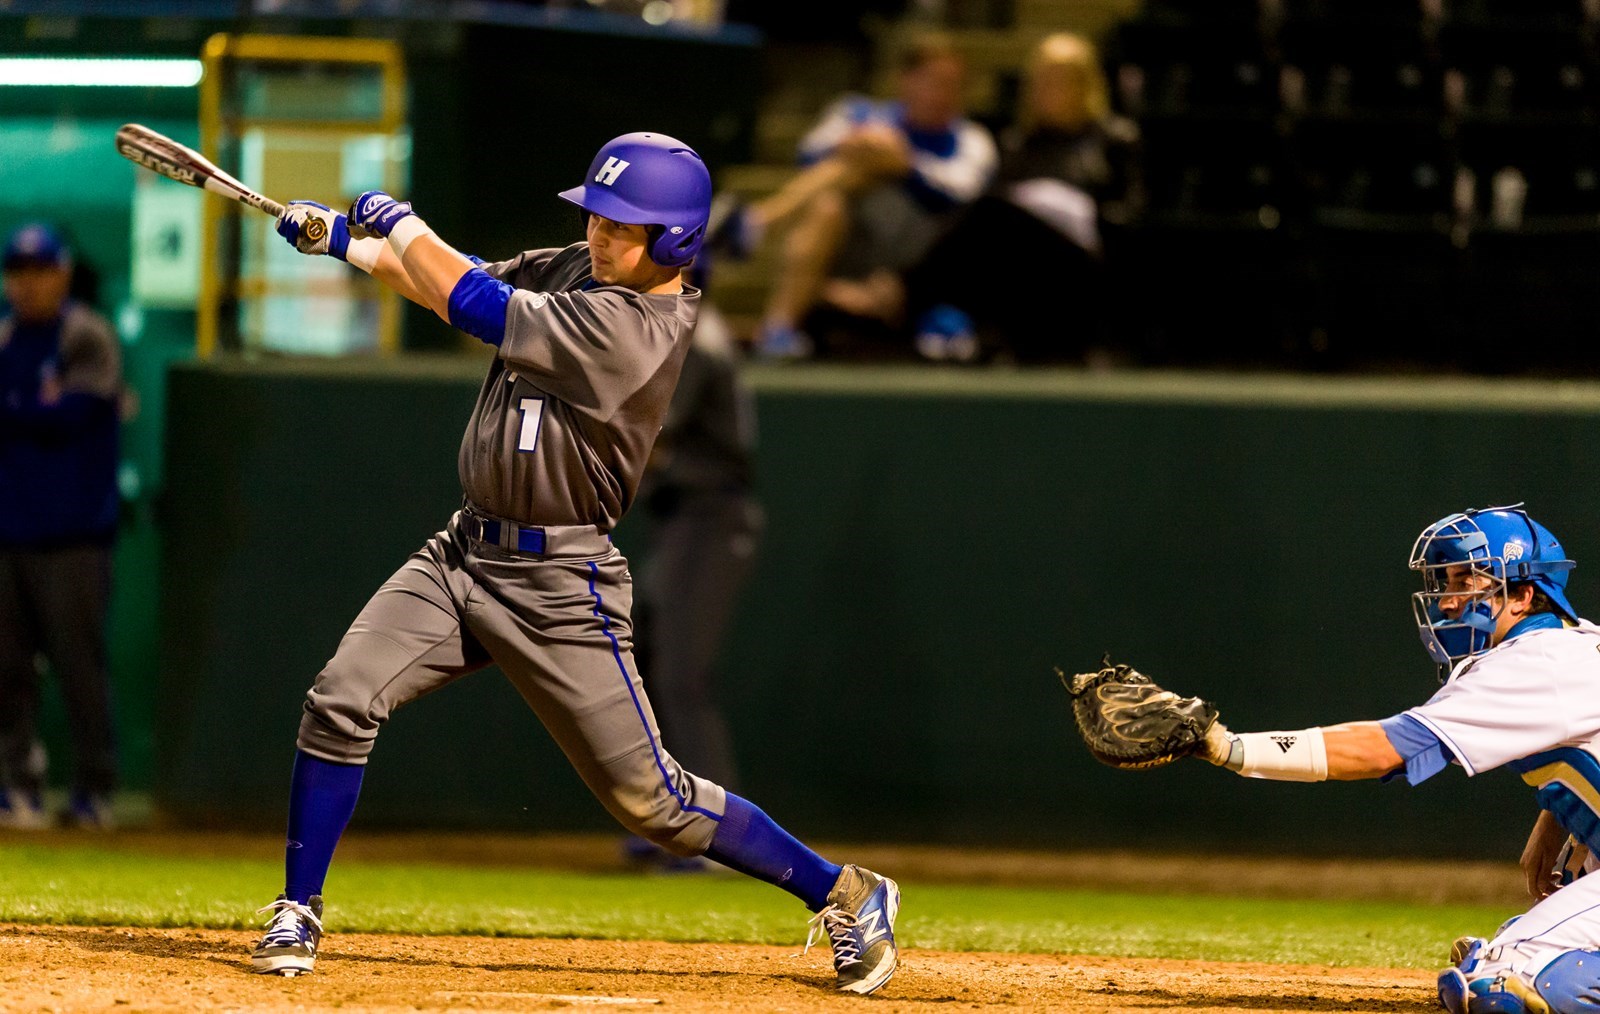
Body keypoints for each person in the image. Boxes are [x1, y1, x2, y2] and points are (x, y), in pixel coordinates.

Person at [261, 132, 900, 995]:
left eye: (621, 226)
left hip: (560, 583)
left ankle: (848, 894)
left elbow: (473, 304)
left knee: (656, 804)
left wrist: (400, 224)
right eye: (596, 217)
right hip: (463, 552)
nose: (599, 235)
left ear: (674, 242)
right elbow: (455, 277)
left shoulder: (639, 325)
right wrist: (350, 244)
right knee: (341, 699)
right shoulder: (582, 269)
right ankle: (298, 906)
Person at [1149, 505, 1600, 1014]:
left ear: (1520, 595)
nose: (1450, 602)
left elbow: (1382, 750)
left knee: (1496, 984)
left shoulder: (1537, 661)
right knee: (1497, 957)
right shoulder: (1572, 646)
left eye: (1469, 581)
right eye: (1446, 581)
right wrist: (1556, 819)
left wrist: (1228, 747)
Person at [710, 30, 998, 360]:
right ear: (904, 80)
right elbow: (808, 156)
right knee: (828, 204)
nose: (942, 94)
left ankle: (757, 222)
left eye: (953, 85)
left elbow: (964, 199)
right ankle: (779, 328)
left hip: (922, 254)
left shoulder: (972, 139)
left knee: (872, 157)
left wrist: (905, 165)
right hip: (853, 244)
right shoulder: (858, 112)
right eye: (933, 81)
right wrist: (858, 145)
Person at [622, 267, 763, 874]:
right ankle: (670, 820)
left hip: (713, 517)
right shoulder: (692, 332)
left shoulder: (695, 337)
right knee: (655, 667)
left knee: (681, 675)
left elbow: (653, 428)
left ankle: (717, 840)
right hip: (685, 518)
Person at [901, 31, 1144, 364]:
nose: (1050, 91)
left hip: (1081, 267)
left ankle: (903, 291)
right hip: (1023, 267)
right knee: (985, 219)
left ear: (1086, 84)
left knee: (990, 210)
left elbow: (1129, 217)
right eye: (1043, 81)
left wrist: (1083, 212)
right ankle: (939, 316)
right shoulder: (1017, 144)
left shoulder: (1115, 139)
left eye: (1062, 80)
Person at [0, 222, 123, 831]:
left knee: (79, 669)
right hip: (10, 533)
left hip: (75, 535)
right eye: (17, 272)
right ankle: (17, 787)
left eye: (37, 271)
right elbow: (38, 415)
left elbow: (69, 416)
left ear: (61, 273)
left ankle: (92, 791)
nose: (26, 284)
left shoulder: (85, 335)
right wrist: (29, 408)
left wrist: (19, 409)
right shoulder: (4, 339)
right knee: (6, 670)